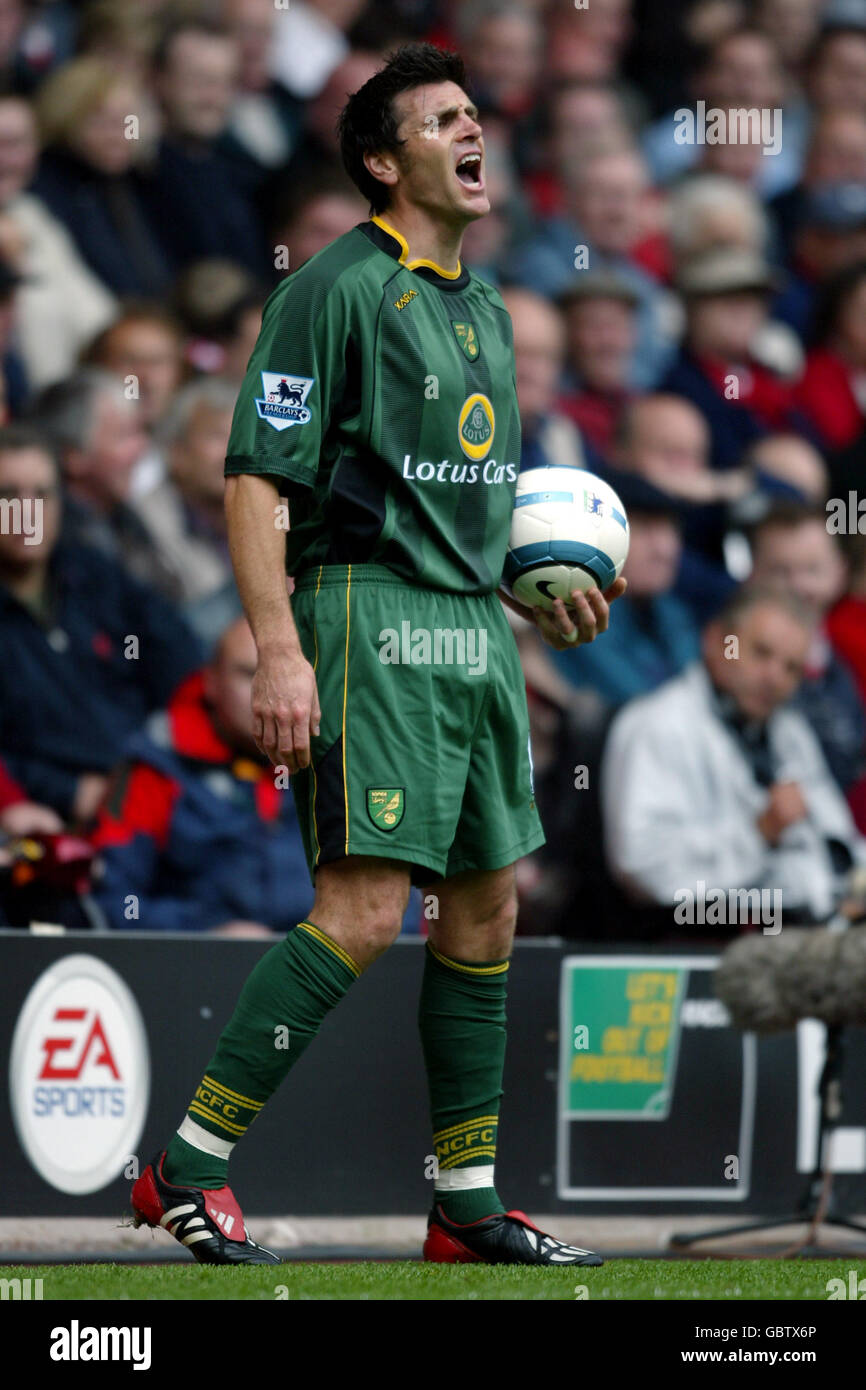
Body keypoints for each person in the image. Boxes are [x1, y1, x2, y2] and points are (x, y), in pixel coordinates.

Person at [130, 42, 625, 1269]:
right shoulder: (332, 289)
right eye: (442, 119)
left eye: (474, 116)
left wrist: (540, 592)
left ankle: (463, 1204)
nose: (472, 133)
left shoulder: (490, 306)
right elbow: (258, 476)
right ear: (380, 159)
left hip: (471, 628)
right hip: (364, 613)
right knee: (360, 908)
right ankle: (184, 1163)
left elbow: (471, 494)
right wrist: (277, 647)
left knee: (485, 907)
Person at [601, 586, 866, 933]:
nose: (774, 677)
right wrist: (759, 832)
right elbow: (642, 868)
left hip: (805, 931)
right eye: (761, 653)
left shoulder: (789, 731)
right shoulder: (657, 725)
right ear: (716, 641)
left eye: (791, 668)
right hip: (697, 940)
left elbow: (839, 842)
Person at [0, 424, 202, 823]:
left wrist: (170, 758)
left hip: (154, 786)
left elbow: (180, 663)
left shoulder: (96, 576)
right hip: (54, 823)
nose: (27, 511)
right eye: (8, 495)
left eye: (42, 494)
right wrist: (70, 791)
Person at [92, 618, 312, 935]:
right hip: (195, 975)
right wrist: (206, 937)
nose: (269, 693)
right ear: (210, 681)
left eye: (282, 676)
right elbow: (115, 901)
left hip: (320, 975)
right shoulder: (157, 767)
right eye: (249, 674)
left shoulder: (328, 763)